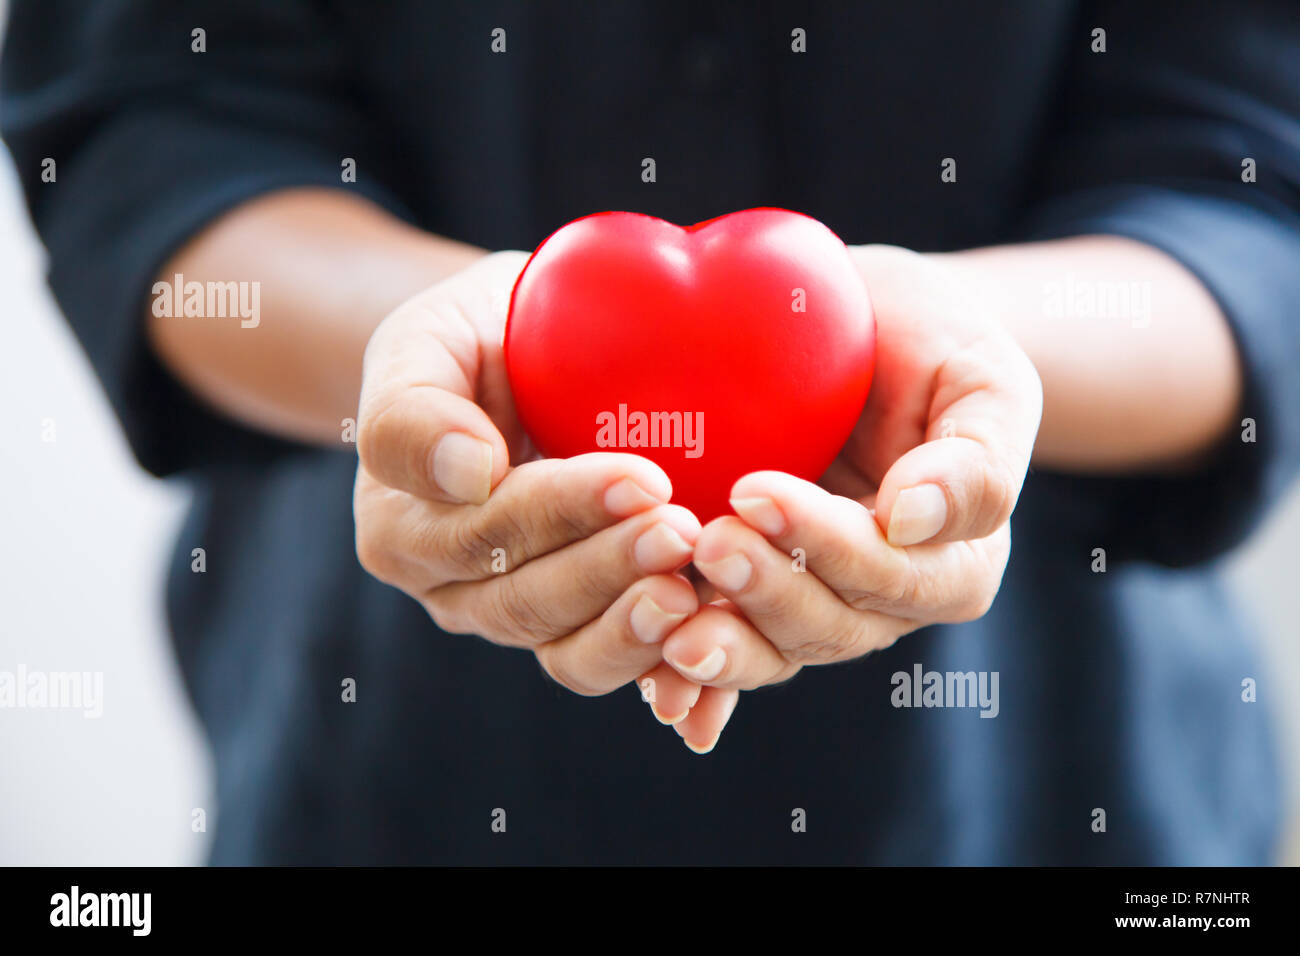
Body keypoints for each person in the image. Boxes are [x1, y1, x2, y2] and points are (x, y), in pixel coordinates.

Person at [3, 1, 1296, 864]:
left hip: (1075, 788)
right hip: (383, 775)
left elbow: (1246, 176)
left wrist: (964, 352)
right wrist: (438, 360)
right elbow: (150, 128)